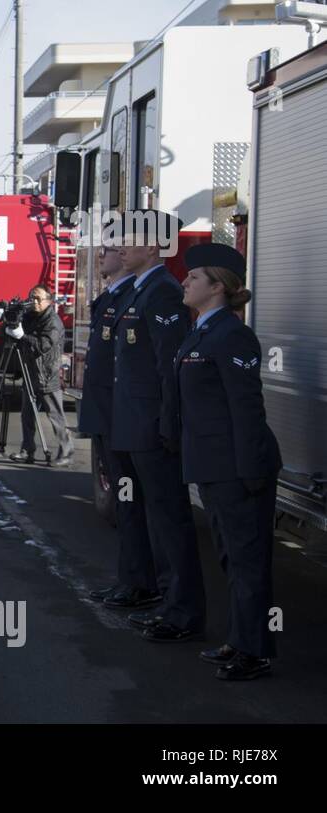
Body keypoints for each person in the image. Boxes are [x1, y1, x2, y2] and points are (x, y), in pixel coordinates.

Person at [176, 243, 281, 680]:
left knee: (248, 562)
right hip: (213, 467)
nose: (184, 281)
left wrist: (251, 470)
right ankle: (239, 641)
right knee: (231, 561)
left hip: (238, 468)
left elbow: (246, 409)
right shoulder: (202, 329)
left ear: (218, 286)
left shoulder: (233, 335)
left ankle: (255, 651)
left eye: (194, 277)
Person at [109, 210, 205, 643]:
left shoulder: (163, 293)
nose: (120, 246)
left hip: (151, 426)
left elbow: (170, 366)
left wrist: (168, 423)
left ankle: (182, 610)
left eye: (129, 240)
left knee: (169, 521)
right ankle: (167, 602)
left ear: (152, 247)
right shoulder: (139, 291)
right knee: (151, 517)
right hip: (133, 423)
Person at [82, 243, 159, 611]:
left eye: (110, 250)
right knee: (124, 503)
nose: (102, 255)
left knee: (131, 503)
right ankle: (130, 579)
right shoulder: (115, 295)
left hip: (121, 416)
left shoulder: (135, 294)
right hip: (107, 415)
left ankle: (140, 582)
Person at [5, 285, 73, 465]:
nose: (34, 302)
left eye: (38, 299)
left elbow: (43, 345)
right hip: (29, 372)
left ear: (48, 301)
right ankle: (27, 450)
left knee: (55, 415)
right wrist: (10, 325)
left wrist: (22, 336)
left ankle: (66, 452)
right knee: (27, 414)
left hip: (47, 374)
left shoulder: (53, 322)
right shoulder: (29, 316)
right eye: (32, 298)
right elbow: (13, 333)